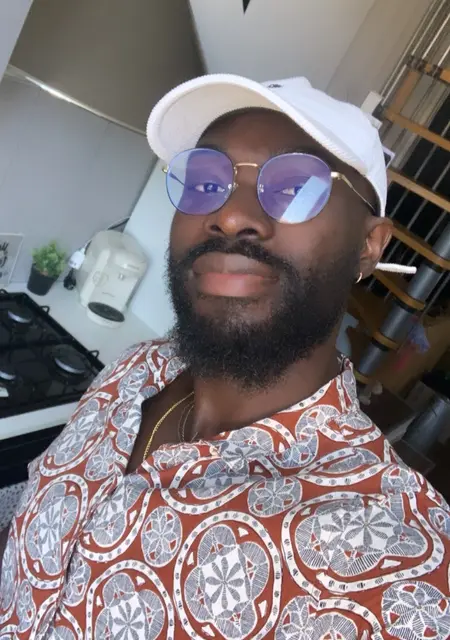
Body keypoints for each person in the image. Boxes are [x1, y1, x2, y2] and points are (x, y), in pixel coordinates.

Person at [1, 74, 450, 639]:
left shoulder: (388, 560)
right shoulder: (134, 370)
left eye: (296, 186)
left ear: (369, 245)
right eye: (205, 180)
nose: (231, 215)